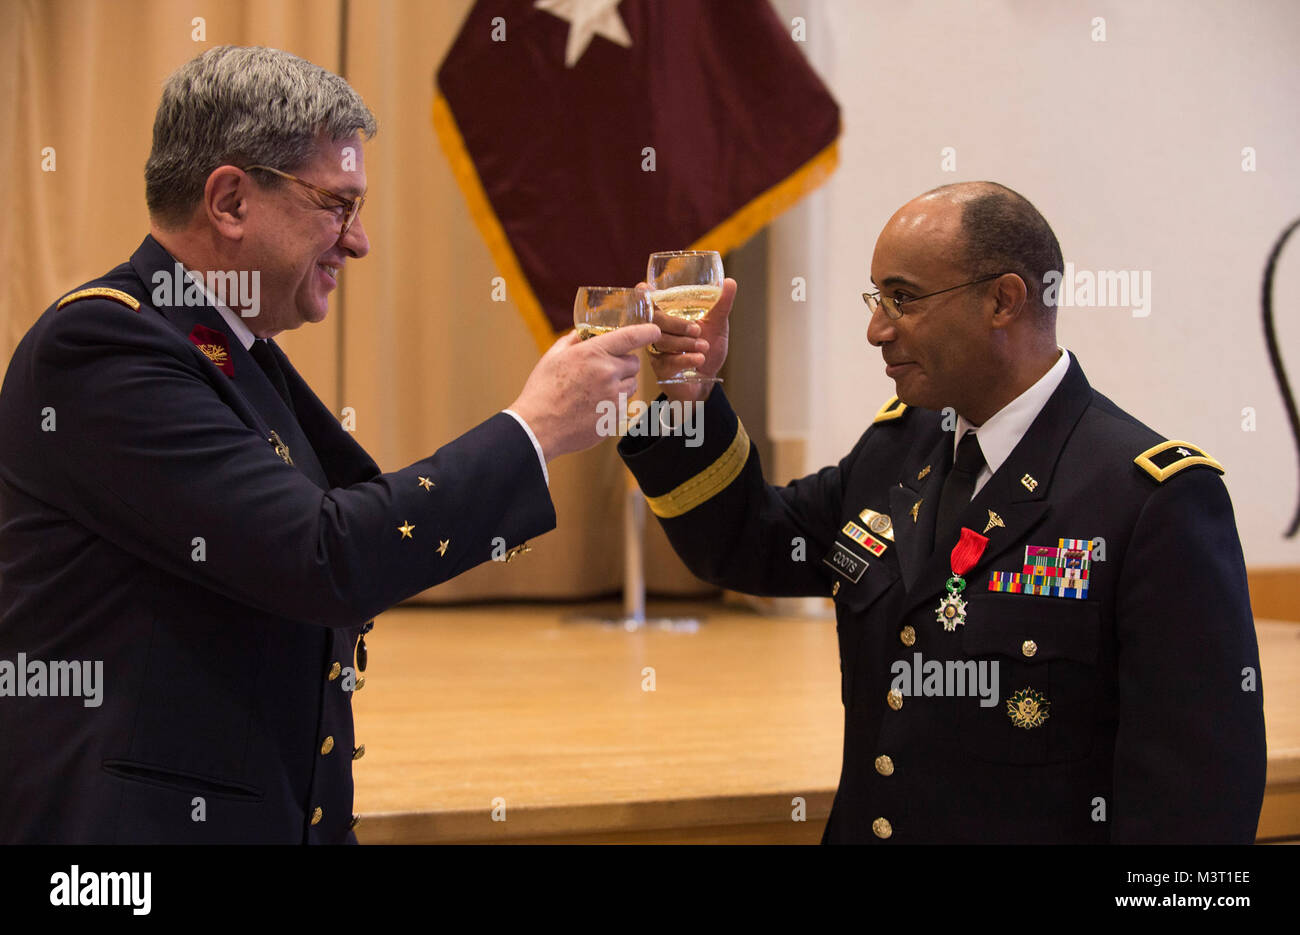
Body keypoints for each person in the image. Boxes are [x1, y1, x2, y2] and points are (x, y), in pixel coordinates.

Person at [0, 45, 658, 844]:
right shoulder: (104, 347)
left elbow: (358, 519)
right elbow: (326, 556)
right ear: (232, 200)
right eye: (336, 205)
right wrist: (535, 427)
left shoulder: (218, 342)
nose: (359, 241)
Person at [621, 181, 1267, 843]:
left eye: (903, 298)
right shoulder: (899, 448)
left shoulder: (1150, 498)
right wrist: (692, 405)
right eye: (877, 299)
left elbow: (1197, 808)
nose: (876, 329)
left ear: (1002, 300)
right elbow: (750, 542)